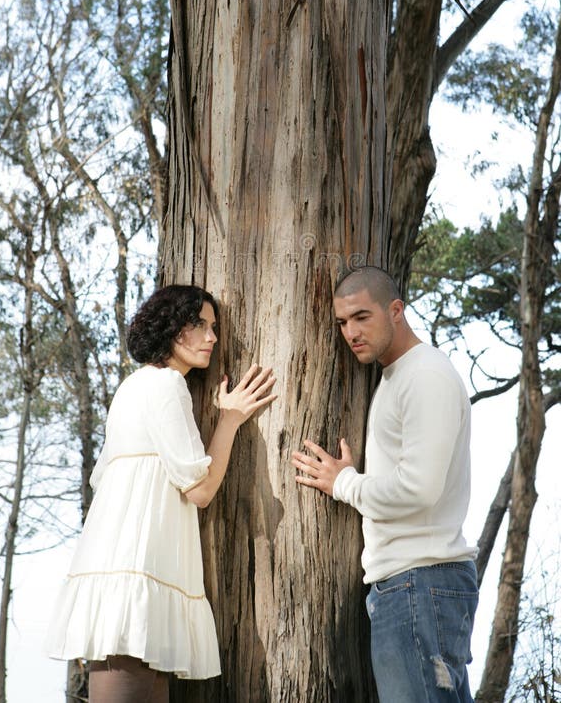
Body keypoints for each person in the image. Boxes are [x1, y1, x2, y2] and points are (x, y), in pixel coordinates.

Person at [46, 284, 276, 703]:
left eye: (214, 327)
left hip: (131, 565)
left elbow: (106, 478)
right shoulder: (165, 384)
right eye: (199, 325)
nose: (212, 337)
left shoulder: (134, 387)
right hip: (136, 569)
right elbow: (201, 489)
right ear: (171, 328)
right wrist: (230, 420)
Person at [292, 266, 478, 702]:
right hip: (413, 585)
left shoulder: (425, 375)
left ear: (396, 310)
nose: (351, 332)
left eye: (362, 317)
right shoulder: (397, 376)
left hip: (421, 582)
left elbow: (418, 488)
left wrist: (344, 483)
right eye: (343, 322)